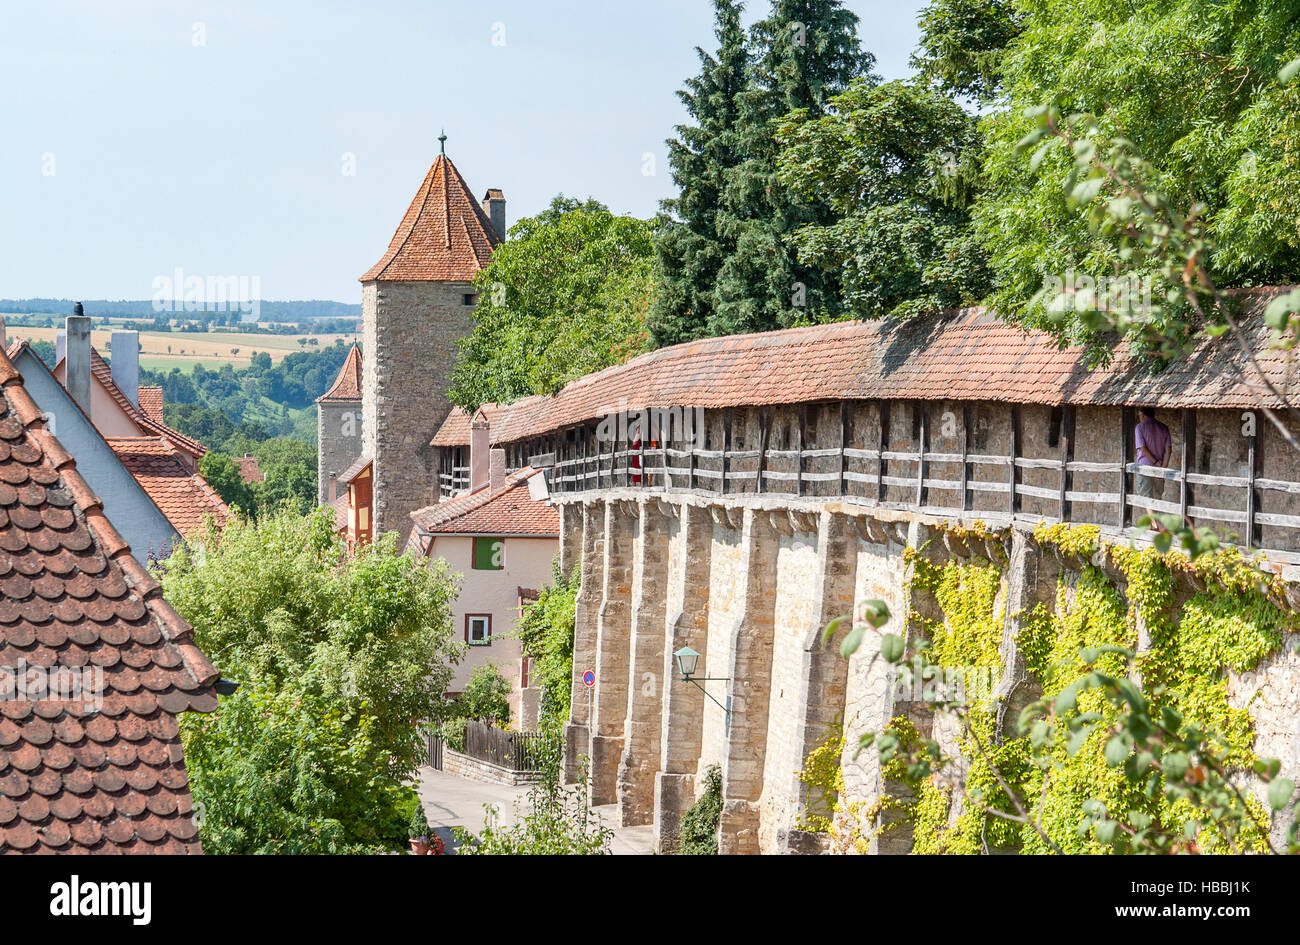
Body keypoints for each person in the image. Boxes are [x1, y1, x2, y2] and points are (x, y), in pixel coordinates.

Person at [1134, 407, 1171, 499]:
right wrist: (1163, 468)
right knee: (1157, 498)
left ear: (1142, 415)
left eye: (1139, 414)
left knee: (1145, 498)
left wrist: (1155, 461)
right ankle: (1155, 514)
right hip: (1159, 468)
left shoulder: (1139, 427)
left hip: (1144, 467)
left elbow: (1143, 448)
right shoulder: (1164, 428)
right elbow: (1168, 450)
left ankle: (1150, 514)